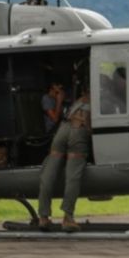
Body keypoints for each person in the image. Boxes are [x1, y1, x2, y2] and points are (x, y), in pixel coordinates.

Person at [36, 87, 92, 232]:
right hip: (78, 131)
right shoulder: (103, 98)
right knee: (73, 175)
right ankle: (68, 218)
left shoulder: (80, 100)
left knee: (50, 171)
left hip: (63, 129)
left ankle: (43, 217)